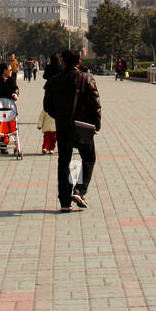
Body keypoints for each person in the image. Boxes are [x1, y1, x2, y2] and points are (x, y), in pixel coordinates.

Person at [43, 49, 102, 211]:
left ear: (63, 62)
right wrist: (96, 125)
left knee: (64, 162)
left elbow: (47, 106)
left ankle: (64, 201)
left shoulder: (54, 81)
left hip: (62, 127)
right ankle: (79, 189)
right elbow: (95, 104)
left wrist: (60, 117)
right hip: (83, 127)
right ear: (79, 62)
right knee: (88, 158)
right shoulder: (87, 79)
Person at [0, 62, 20, 153]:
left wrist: (15, 94)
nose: (11, 71)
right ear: (4, 71)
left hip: (8, 106)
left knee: (8, 127)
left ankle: (3, 146)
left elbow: (15, 89)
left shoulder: (12, 80)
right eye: (10, 70)